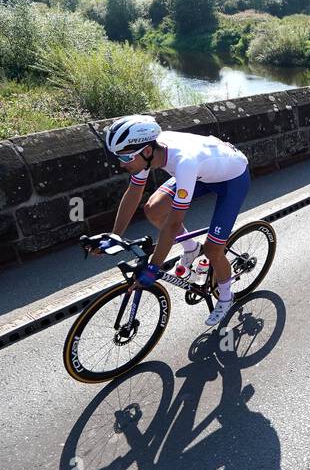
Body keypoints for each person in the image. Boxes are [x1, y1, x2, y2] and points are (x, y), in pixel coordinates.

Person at [98, 115, 252, 328]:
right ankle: (191, 249)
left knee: (213, 250)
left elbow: (172, 224)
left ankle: (226, 297)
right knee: (153, 209)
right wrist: (115, 236)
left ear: (148, 151)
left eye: (125, 158)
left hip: (232, 180)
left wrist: (153, 267)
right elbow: (134, 192)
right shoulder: (147, 151)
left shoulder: (183, 162)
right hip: (203, 174)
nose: (121, 164)